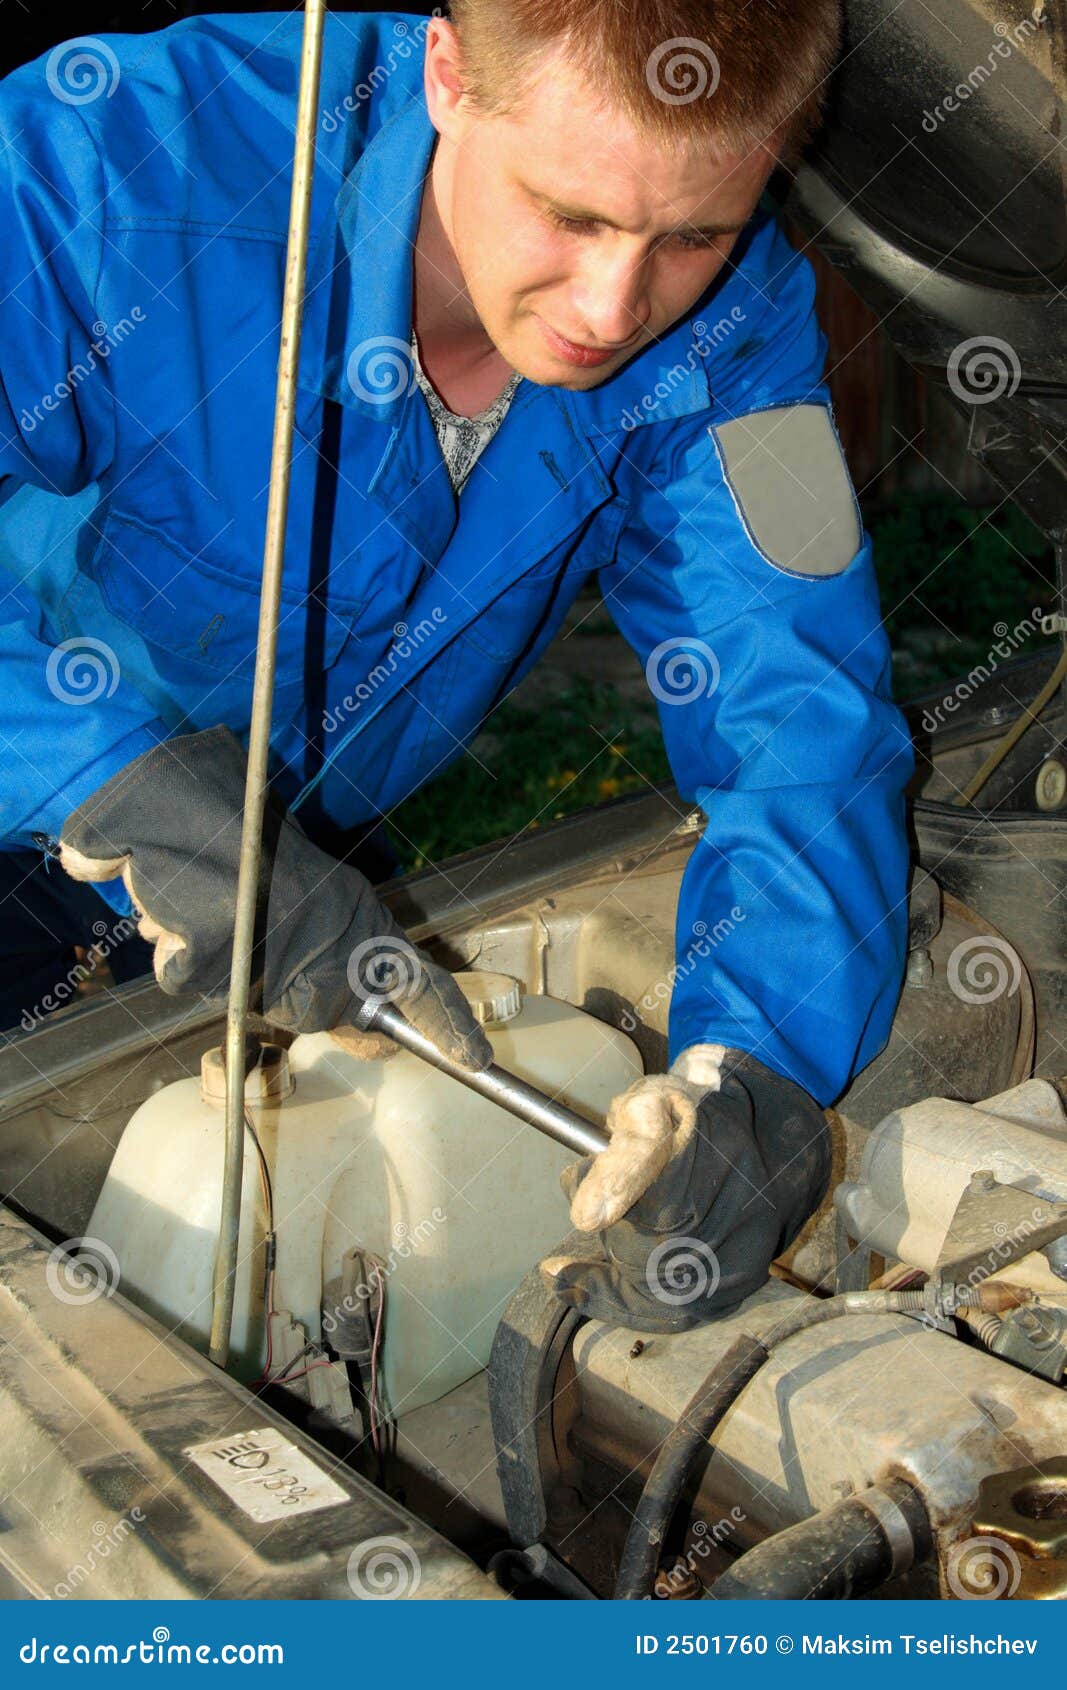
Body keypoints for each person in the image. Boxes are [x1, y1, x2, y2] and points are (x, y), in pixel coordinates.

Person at [0, 3, 913, 1330]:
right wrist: (98, 767)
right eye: (568, 213)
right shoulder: (123, 154)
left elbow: (802, 706)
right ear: (445, 74)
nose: (612, 308)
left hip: (283, 892)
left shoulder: (741, 339)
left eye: (693, 234)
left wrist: (757, 1063)